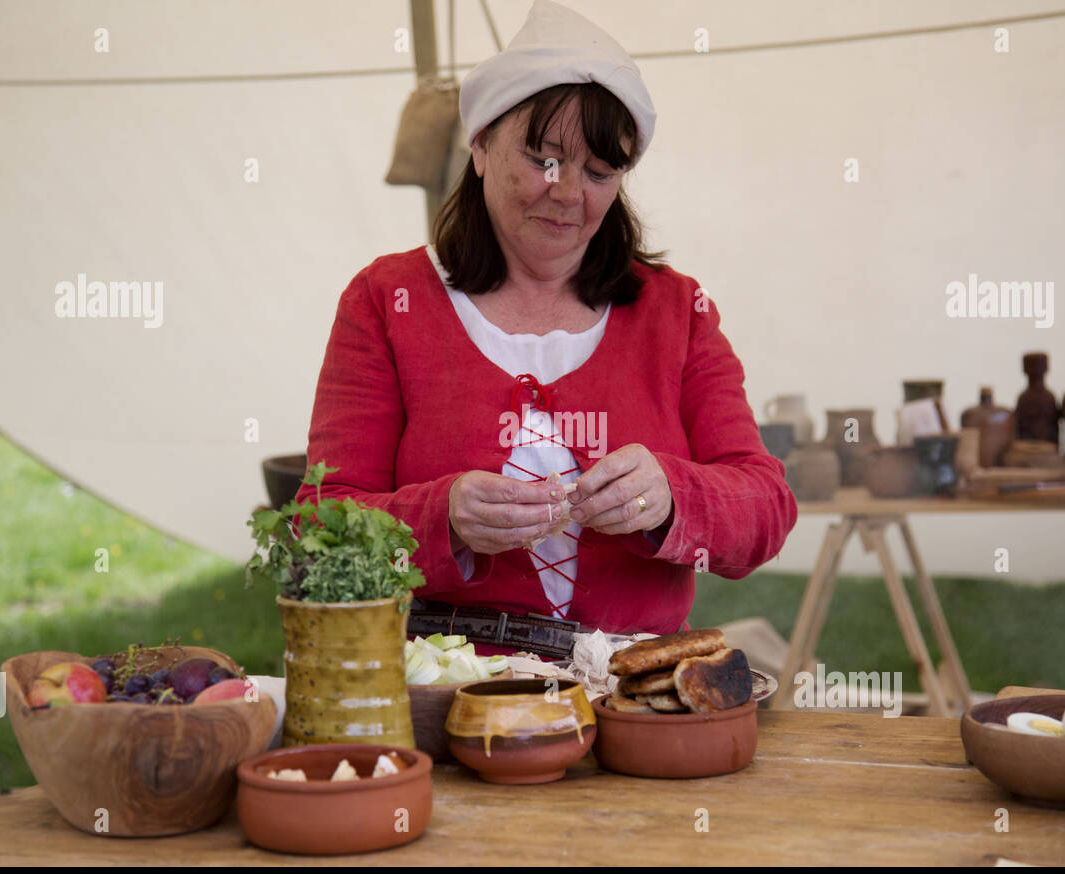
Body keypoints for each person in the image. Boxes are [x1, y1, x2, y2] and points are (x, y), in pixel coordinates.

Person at [302, 0, 797, 647]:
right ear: (481, 145)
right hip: (446, 688)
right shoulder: (387, 300)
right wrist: (441, 518)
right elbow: (321, 532)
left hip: (634, 691)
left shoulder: (677, 311)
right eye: (544, 160)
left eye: (599, 172)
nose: (568, 194)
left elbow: (766, 508)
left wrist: (671, 494)